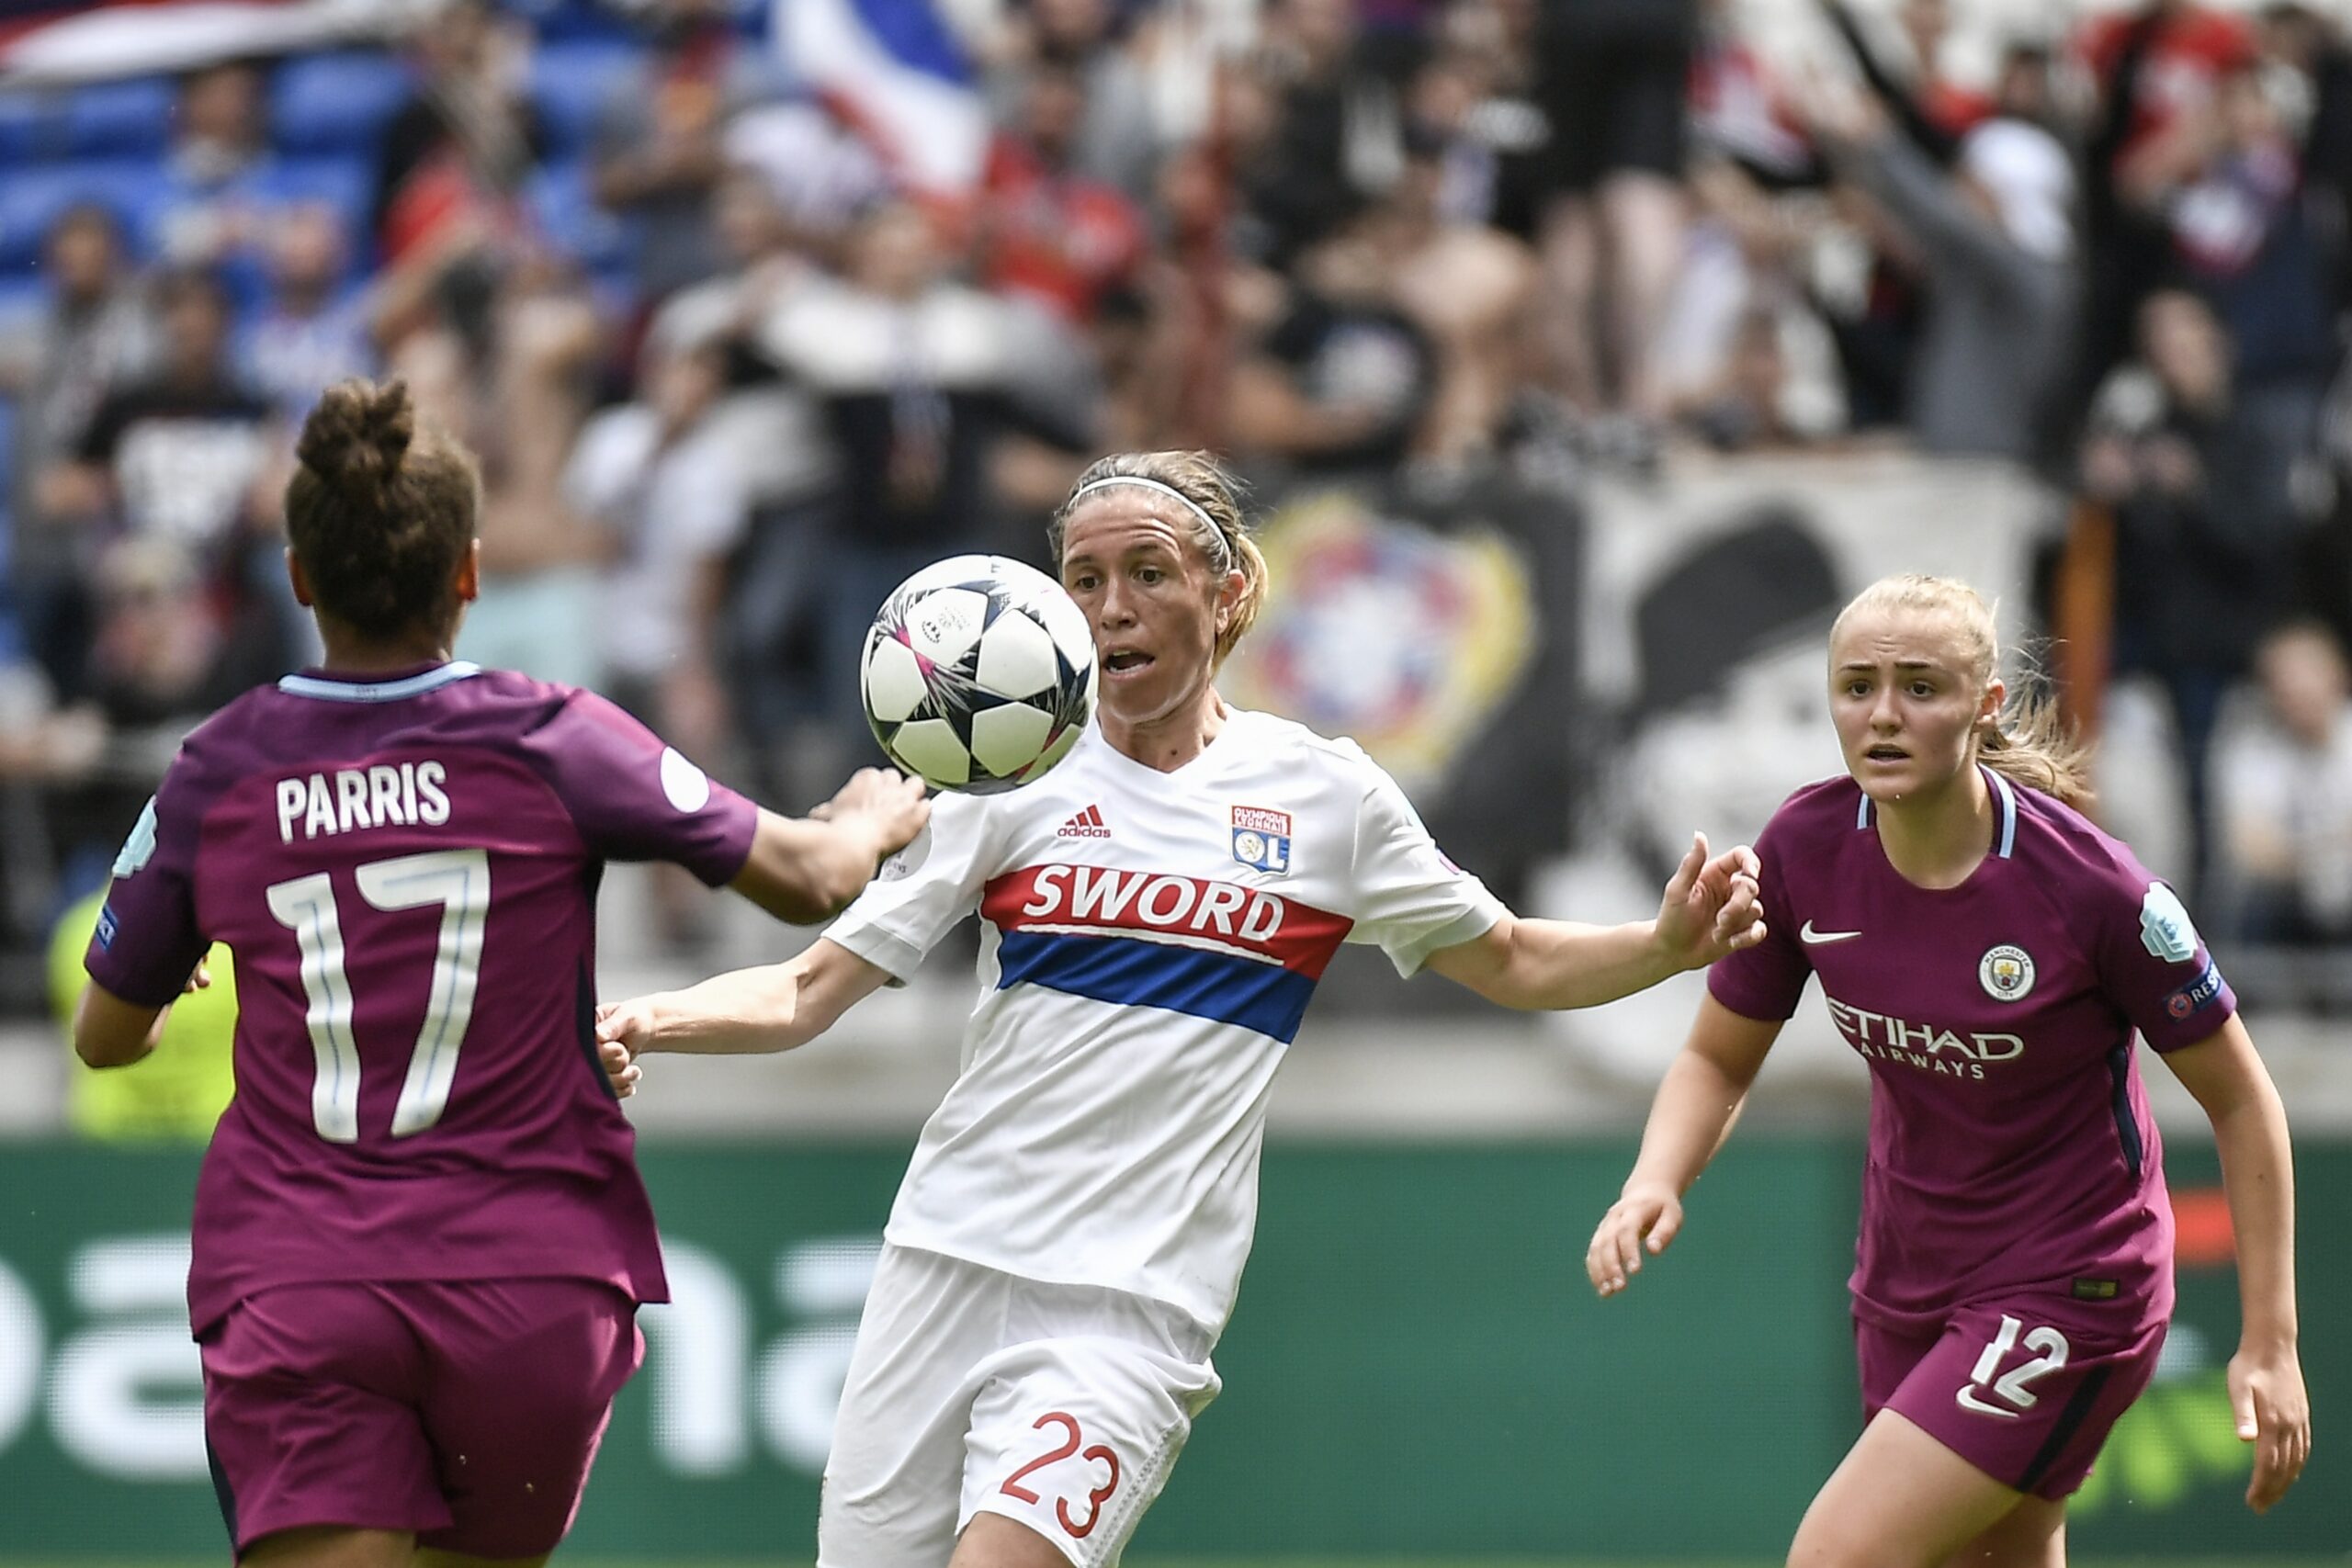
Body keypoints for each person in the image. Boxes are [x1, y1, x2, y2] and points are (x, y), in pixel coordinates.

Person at [594, 449, 1768, 1568]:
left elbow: (1509, 959)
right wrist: (647, 1017)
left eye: (1148, 573)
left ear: (1230, 592)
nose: (1112, 609)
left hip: (1131, 1310)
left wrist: (1664, 947)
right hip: (941, 1263)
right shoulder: (1009, 782)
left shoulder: (1326, 797)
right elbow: (806, 990)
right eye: (1085, 582)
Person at [68, 377, 929, 1568]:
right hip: (532, 1279)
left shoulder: (220, 769)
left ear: (300, 575)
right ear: (468, 571)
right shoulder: (554, 735)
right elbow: (807, 876)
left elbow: (105, 1033)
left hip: (303, 1272)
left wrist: (178, 997)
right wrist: (869, 817)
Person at [1585, 574, 2310, 1568]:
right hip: (1904, 1278)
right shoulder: (1804, 848)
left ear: (1985, 705)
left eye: (1920, 687)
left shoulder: (2091, 890)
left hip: (2071, 1284)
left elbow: (2241, 1099)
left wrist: (2269, 1343)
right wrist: (1654, 1178)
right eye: (1857, 686)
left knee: (1835, 1557)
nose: (1882, 714)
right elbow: (1716, 1051)